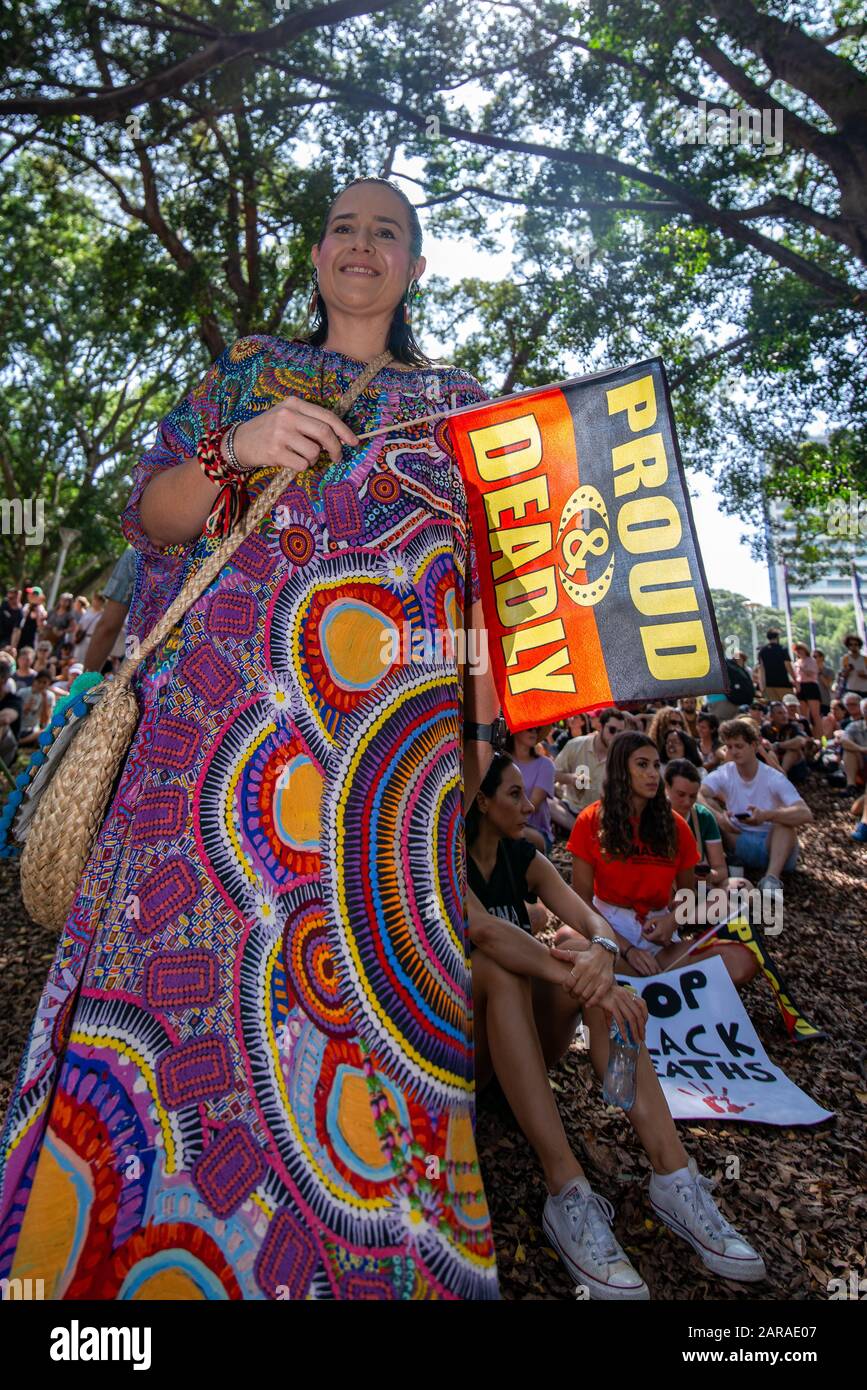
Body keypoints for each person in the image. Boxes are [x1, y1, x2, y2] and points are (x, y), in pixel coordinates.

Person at [0, 176, 502, 1300]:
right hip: (200, 780)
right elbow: (154, 515)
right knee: (175, 1027)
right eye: (342, 227)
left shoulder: (466, 411)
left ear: (417, 267)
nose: (361, 244)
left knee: (368, 1045)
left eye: (388, 232)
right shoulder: (243, 376)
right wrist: (239, 446)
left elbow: (498, 605)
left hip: (382, 802)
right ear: (317, 255)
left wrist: (473, 755)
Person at [467, 754, 765, 1296]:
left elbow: (587, 916)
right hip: (467, 1059)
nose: (529, 803)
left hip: (530, 1048)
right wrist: (588, 973)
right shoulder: (443, 862)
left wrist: (604, 952)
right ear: (480, 801)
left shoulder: (526, 859)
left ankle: (673, 1175)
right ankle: (566, 1190)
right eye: (513, 794)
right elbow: (485, 933)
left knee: (599, 979)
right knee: (503, 970)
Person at [568, 733, 757, 987]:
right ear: (620, 769)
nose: (653, 773)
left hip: (658, 935)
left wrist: (672, 921)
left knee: (741, 961)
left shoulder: (676, 826)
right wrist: (626, 950)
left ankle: (634, 981)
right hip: (606, 931)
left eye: (656, 765)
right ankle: (650, 979)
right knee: (567, 945)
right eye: (642, 764)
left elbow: (687, 896)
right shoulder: (590, 821)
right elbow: (579, 898)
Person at [663, 760, 759, 984]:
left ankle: (691, 921)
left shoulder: (702, 817)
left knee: (743, 888)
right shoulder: (654, 818)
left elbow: (720, 870)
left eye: (693, 796)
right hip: (666, 898)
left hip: (698, 893)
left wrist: (706, 877)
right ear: (666, 788)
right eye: (680, 795)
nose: (687, 802)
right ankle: (685, 922)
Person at [699, 718, 813, 895]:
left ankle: (771, 879)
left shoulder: (772, 777)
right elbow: (698, 793)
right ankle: (720, 869)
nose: (734, 751)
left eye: (739, 746)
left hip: (773, 846)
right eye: (729, 747)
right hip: (739, 839)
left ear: (753, 745)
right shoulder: (726, 772)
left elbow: (805, 814)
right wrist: (719, 817)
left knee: (784, 824)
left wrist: (767, 815)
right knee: (707, 806)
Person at [553, 706, 626, 830]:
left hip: (602, 816)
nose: (616, 736)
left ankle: (579, 831)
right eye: (612, 730)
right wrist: (571, 778)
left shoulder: (622, 757)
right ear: (600, 727)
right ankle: (580, 830)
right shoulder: (575, 745)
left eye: (620, 733)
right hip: (571, 809)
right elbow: (553, 774)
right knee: (549, 803)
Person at [505, 725, 556, 855]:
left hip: (536, 832)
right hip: (503, 827)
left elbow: (533, 806)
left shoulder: (545, 765)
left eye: (538, 729)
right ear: (515, 730)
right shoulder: (502, 761)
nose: (534, 732)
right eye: (530, 728)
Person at [85, 548, 137, 673]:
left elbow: (108, 627)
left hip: (143, 672)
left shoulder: (138, 555)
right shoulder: (192, 557)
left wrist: (85, 686)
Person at [761, 700, 810, 785]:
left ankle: (782, 775)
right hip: (773, 763)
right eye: (780, 713)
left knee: (793, 751)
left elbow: (801, 741)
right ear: (772, 716)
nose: (784, 716)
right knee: (770, 753)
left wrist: (778, 745)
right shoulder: (766, 728)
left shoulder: (793, 726)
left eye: (785, 713)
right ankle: (781, 776)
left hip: (793, 766)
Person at [833, 695, 867, 799]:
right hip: (862, 761)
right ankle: (851, 785)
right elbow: (844, 740)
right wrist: (861, 749)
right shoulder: (856, 725)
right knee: (849, 751)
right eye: (866, 709)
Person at [17, 670, 56, 749]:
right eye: (39, 681)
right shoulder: (22, 692)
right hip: (19, 727)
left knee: (44, 732)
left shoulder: (49, 696)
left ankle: (19, 742)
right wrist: (25, 708)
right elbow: (15, 715)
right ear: (35, 681)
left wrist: (44, 700)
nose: (41, 685)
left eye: (44, 682)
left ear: (48, 684)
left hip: (34, 730)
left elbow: (45, 720)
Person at [791, 641, 822, 738]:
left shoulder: (811, 660)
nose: (799, 652)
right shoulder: (796, 663)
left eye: (800, 649)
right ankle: (808, 737)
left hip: (811, 686)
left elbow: (812, 673)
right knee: (803, 716)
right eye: (797, 650)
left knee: (815, 715)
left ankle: (821, 738)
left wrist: (802, 668)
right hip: (801, 687)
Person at [757, 628, 794, 702]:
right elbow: (788, 666)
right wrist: (795, 679)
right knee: (788, 706)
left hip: (769, 685)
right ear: (777, 637)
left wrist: (762, 686)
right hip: (784, 684)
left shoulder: (762, 651)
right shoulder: (782, 649)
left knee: (774, 708)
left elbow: (761, 669)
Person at [10, 586, 47, 652]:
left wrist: (37, 612)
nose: (29, 595)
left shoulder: (41, 610)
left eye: (32, 594)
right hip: (21, 639)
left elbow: (41, 627)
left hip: (31, 641)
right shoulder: (27, 606)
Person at [72, 593, 104, 665]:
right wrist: (75, 635)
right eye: (94, 600)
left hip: (93, 639)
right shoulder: (88, 611)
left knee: (86, 660)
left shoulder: (103, 614)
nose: (95, 602)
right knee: (77, 658)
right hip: (82, 637)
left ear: (101, 602)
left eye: (97, 600)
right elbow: (80, 624)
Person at [813, 649, 835, 716]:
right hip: (814, 702)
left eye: (815, 656)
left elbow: (828, 684)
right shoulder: (811, 672)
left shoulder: (829, 671)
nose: (813, 659)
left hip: (825, 702)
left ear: (822, 657)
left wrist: (819, 673)